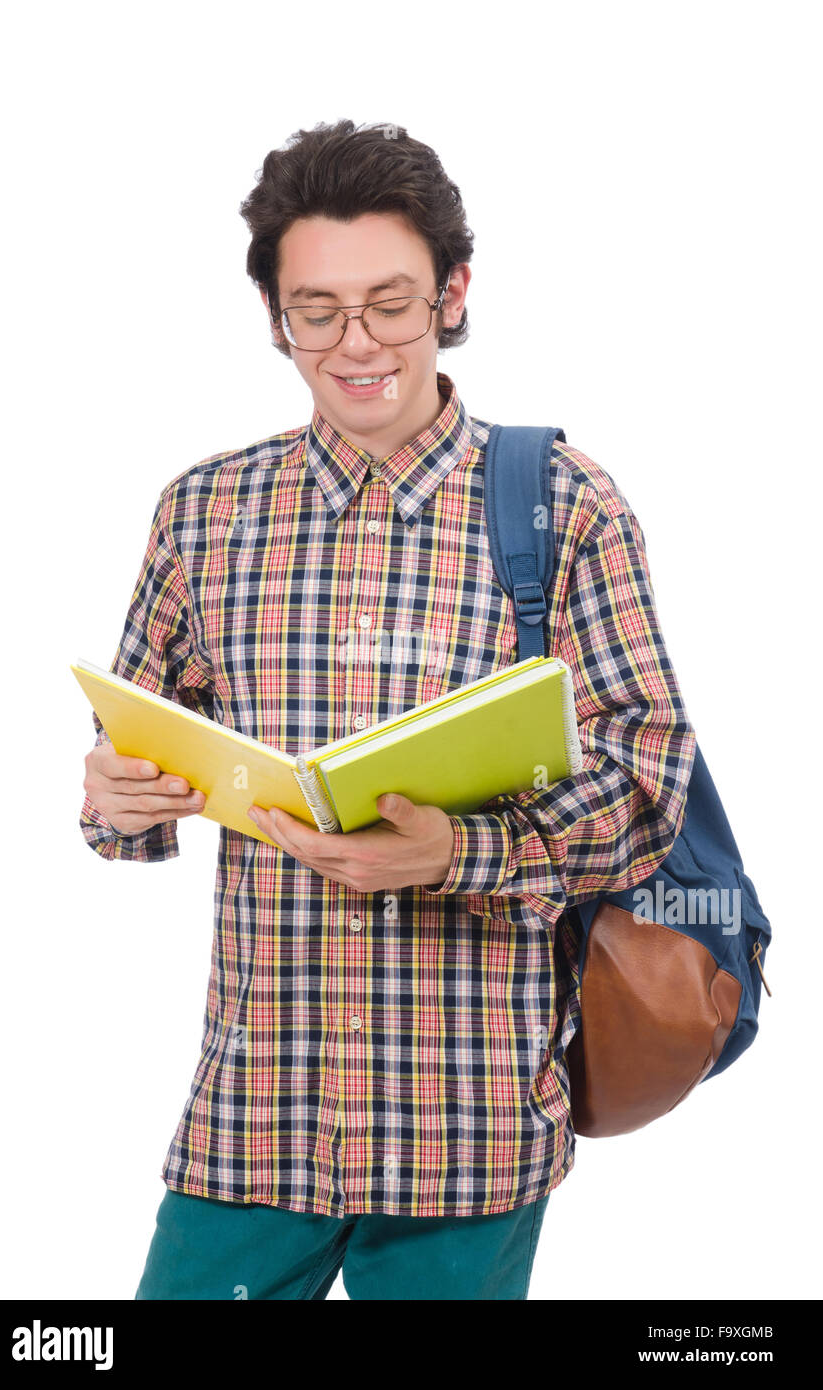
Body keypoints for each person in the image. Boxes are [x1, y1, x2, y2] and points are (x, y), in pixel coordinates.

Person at [79, 118, 696, 1301]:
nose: (357, 344)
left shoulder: (565, 507)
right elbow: (129, 791)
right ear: (275, 317)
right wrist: (116, 792)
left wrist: (456, 851)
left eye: (392, 303)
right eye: (318, 310)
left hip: (468, 1133)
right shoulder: (202, 514)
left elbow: (648, 782)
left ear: (452, 295)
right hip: (254, 1120)